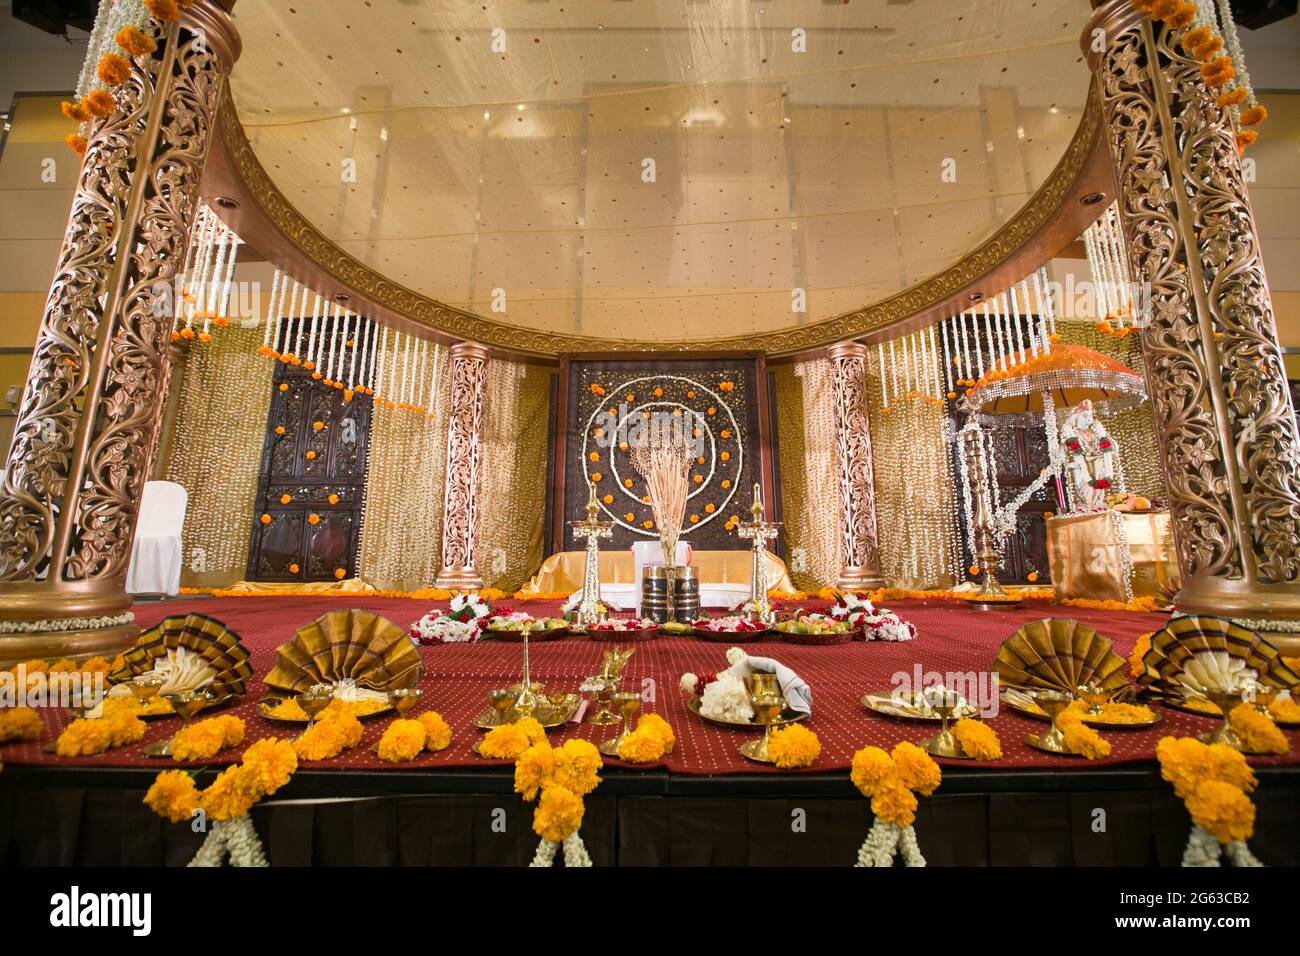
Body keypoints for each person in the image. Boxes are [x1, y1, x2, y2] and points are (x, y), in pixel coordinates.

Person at [1059, 399, 1118, 511]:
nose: (1089, 419)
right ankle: (1086, 506)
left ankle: (1097, 505)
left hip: (1099, 462)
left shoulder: (1097, 431)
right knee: (1085, 488)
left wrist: (1113, 446)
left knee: (1100, 486)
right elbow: (1063, 451)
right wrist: (1065, 460)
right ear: (1075, 419)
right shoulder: (1071, 433)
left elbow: (1108, 445)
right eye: (1085, 416)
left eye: (1090, 416)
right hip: (1081, 465)